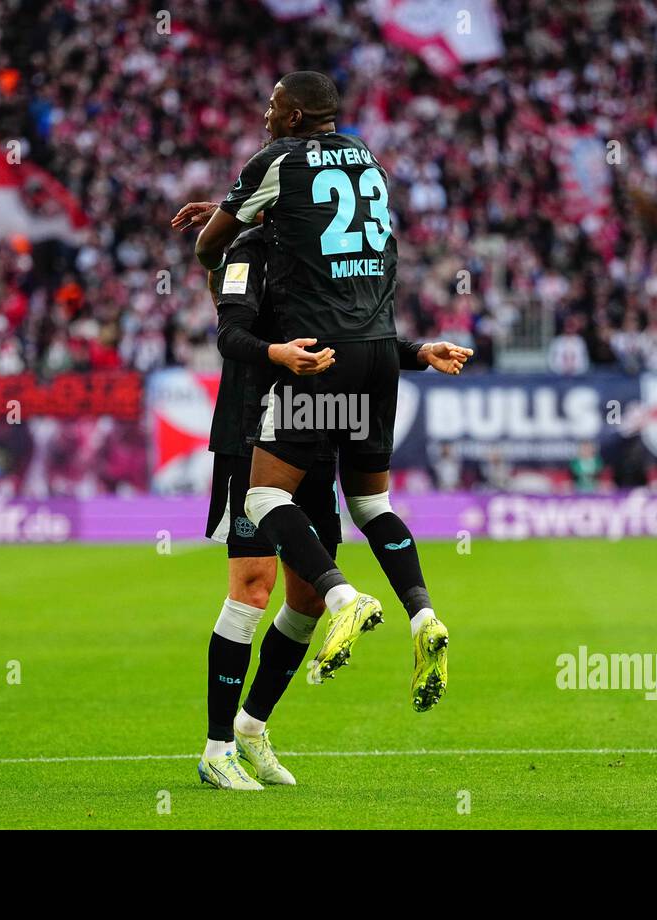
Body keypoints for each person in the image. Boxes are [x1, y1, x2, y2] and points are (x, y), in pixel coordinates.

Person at [191, 71, 471, 713]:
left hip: (314, 365)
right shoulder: (367, 161)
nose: (265, 115)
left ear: (293, 117)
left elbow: (212, 254)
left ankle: (346, 597)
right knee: (372, 506)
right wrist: (418, 350)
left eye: (271, 106)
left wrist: (229, 232)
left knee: (265, 498)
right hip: (379, 350)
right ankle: (423, 614)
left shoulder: (273, 167)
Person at [172, 205, 471, 788]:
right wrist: (274, 349)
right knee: (251, 590)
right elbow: (230, 330)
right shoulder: (251, 251)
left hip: (312, 431)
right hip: (253, 430)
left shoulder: (319, 257)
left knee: (306, 599)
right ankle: (215, 748)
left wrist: (414, 353)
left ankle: (253, 728)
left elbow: (352, 335)